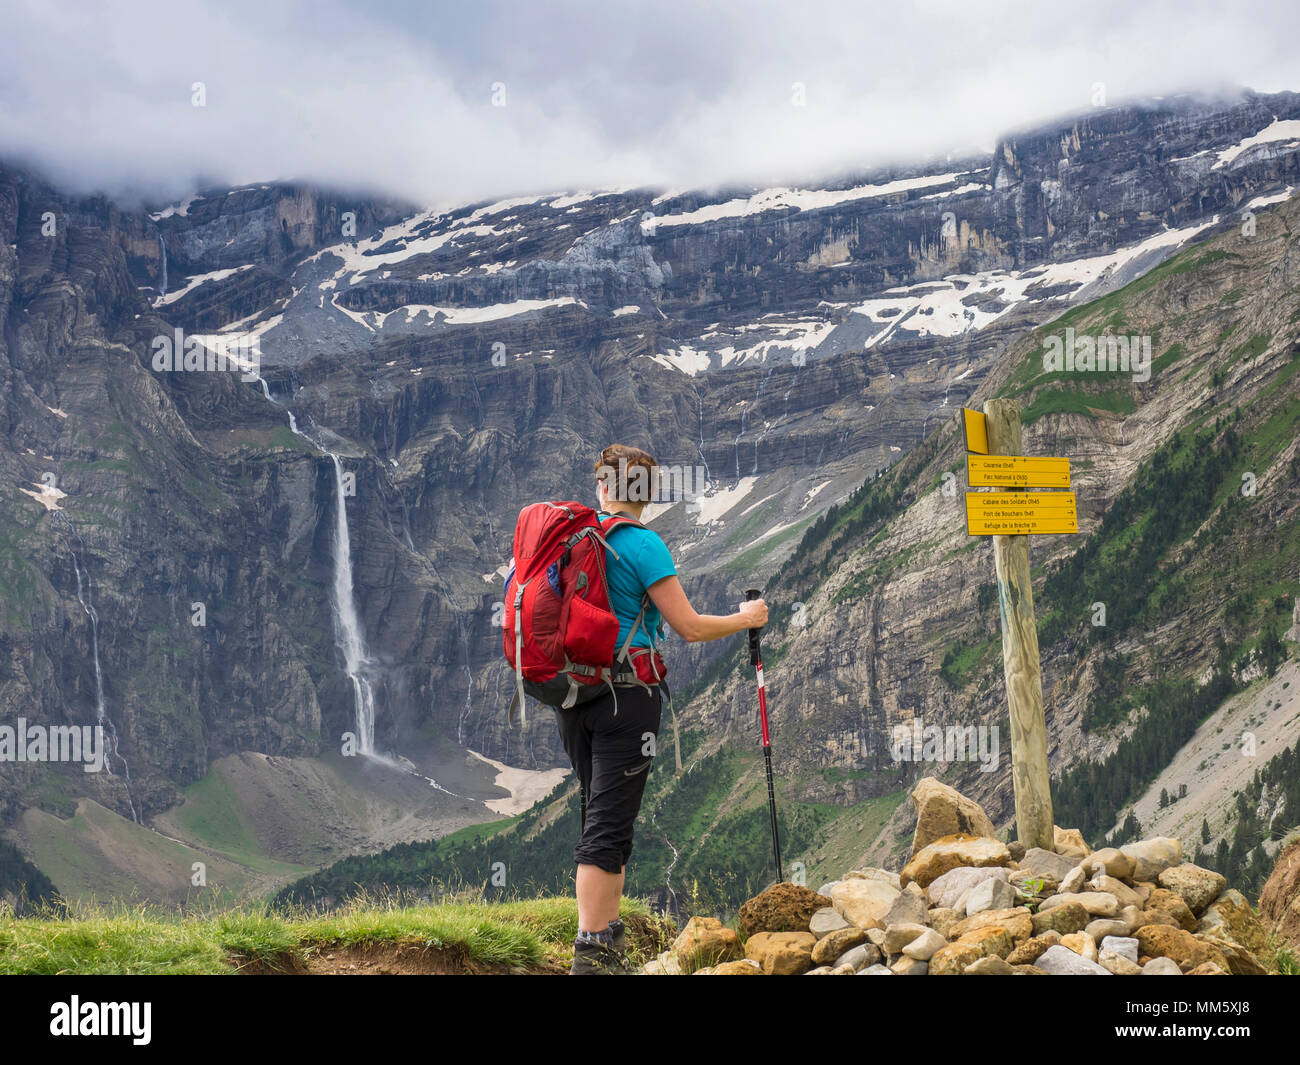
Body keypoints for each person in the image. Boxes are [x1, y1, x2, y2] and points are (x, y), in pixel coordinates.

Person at [558, 443, 768, 975]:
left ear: (601, 487)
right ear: (648, 495)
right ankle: (592, 954)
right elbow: (691, 628)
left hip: (570, 696)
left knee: (599, 816)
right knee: (609, 828)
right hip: (626, 698)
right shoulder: (642, 544)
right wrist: (746, 618)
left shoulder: (570, 538)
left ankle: (606, 942)